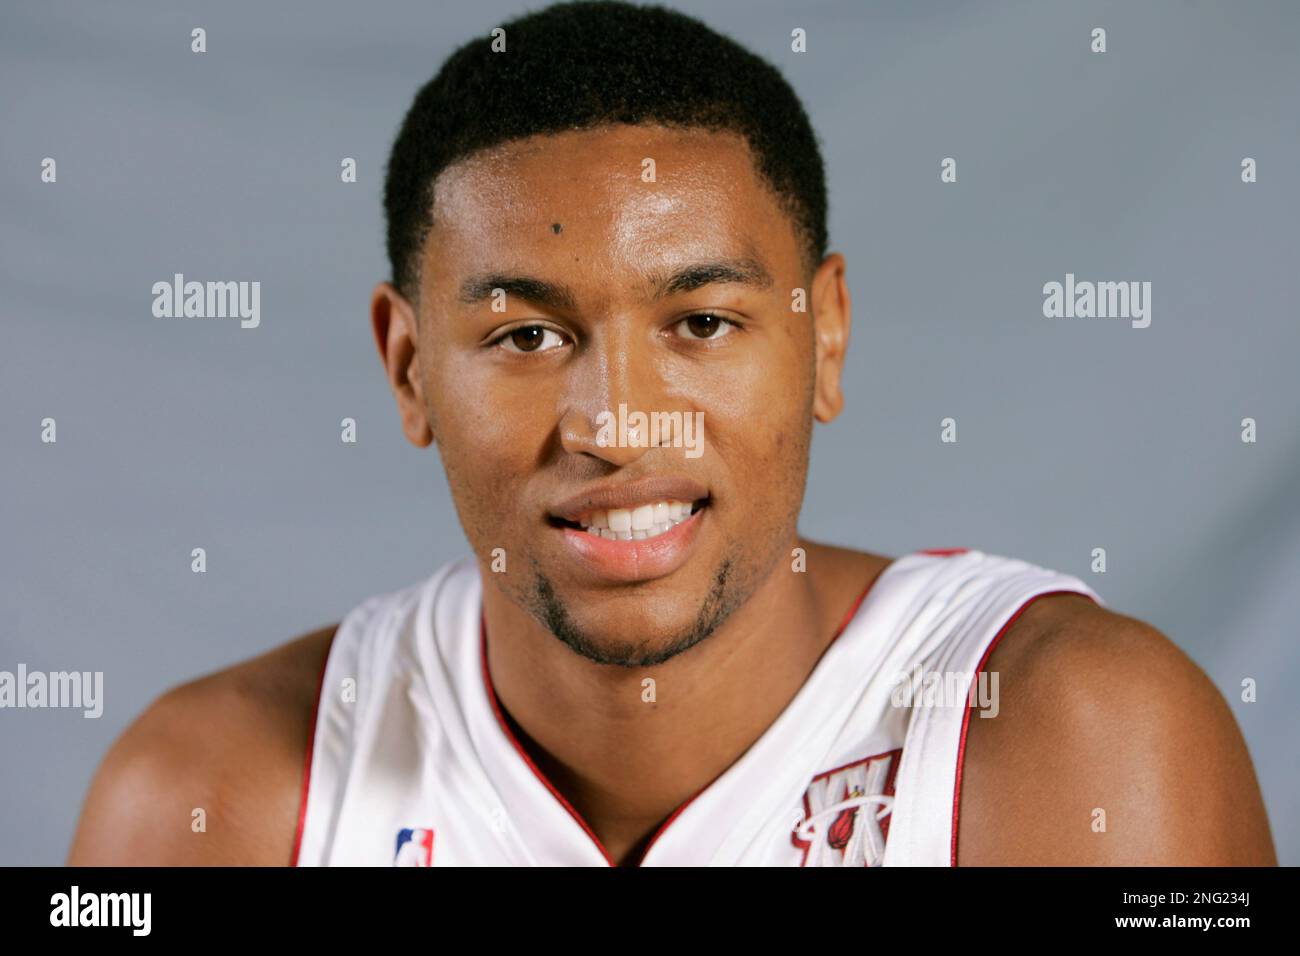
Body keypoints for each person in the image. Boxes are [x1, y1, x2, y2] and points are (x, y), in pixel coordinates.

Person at [68, 0, 1276, 867]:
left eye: (700, 320)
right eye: (526, 338)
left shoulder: (1082, 739)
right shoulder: (205, 799)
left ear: (825, 338)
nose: (615, 423)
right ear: (407, 366)